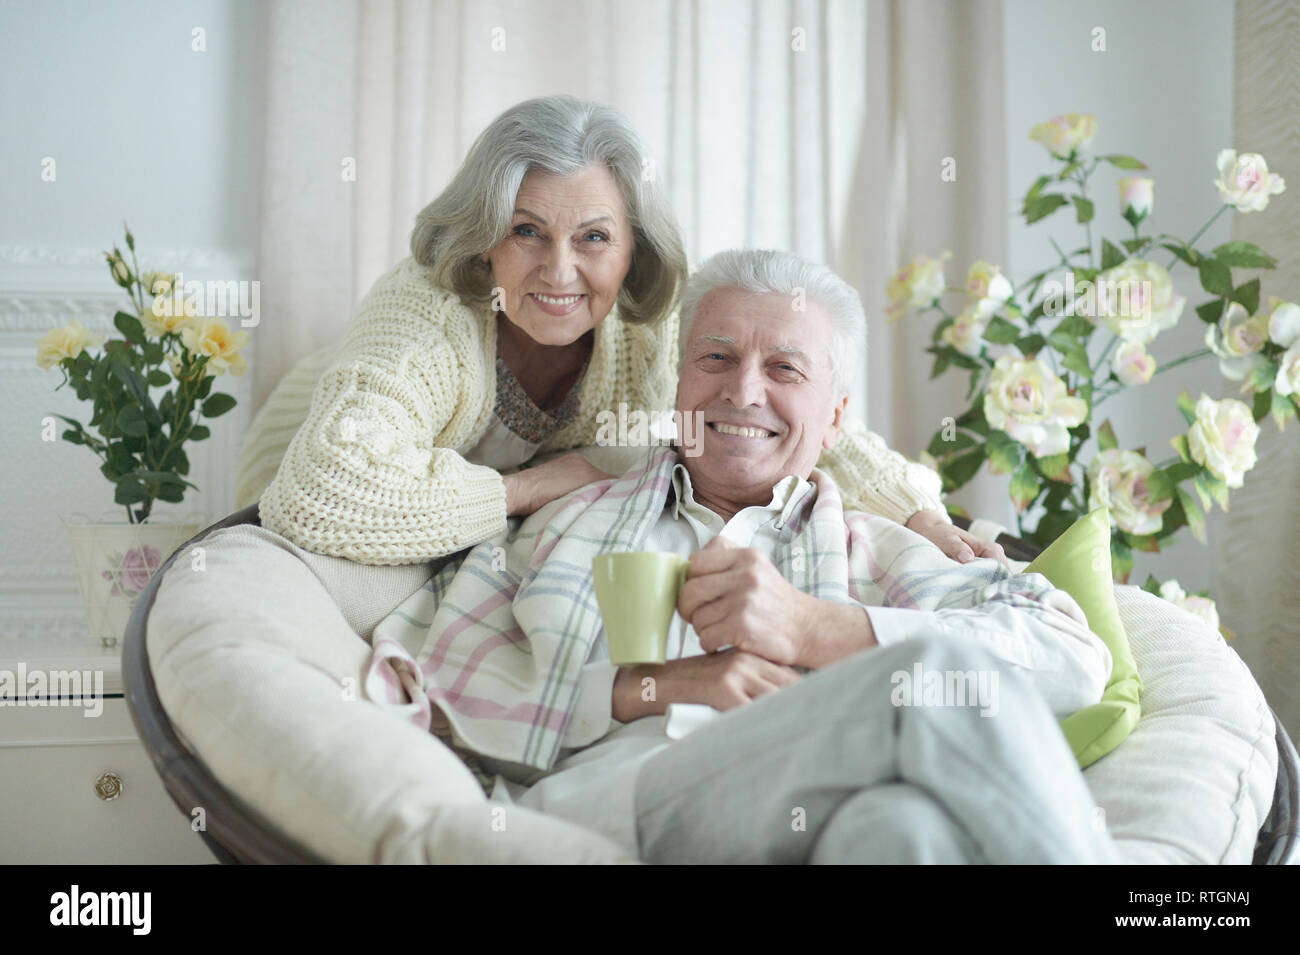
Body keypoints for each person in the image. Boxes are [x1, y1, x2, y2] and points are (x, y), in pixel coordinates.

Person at [363, 248, 1117, 864]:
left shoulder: (874, 547)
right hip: (615, 807)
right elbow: (437, 691)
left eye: (785, 369)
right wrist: (656, 684)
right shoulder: (569, 520)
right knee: (927, 678)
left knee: (900, 832)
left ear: (835, 420)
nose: (742, 391)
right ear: (681, 381)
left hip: (804, 822)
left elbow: (1072, 652)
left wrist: (814, 627)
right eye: (715, 357)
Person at [241, 94, 1004, 566]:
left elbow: (794, 408)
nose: (560, 273)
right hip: (304, 454)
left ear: (635, 245)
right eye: (528, 232)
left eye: (595, 238)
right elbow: (321, 491)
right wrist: (539, 487)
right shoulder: (431, 308)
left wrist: (920, 515)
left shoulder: (650, 320)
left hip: (461, 512)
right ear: (484, 237)